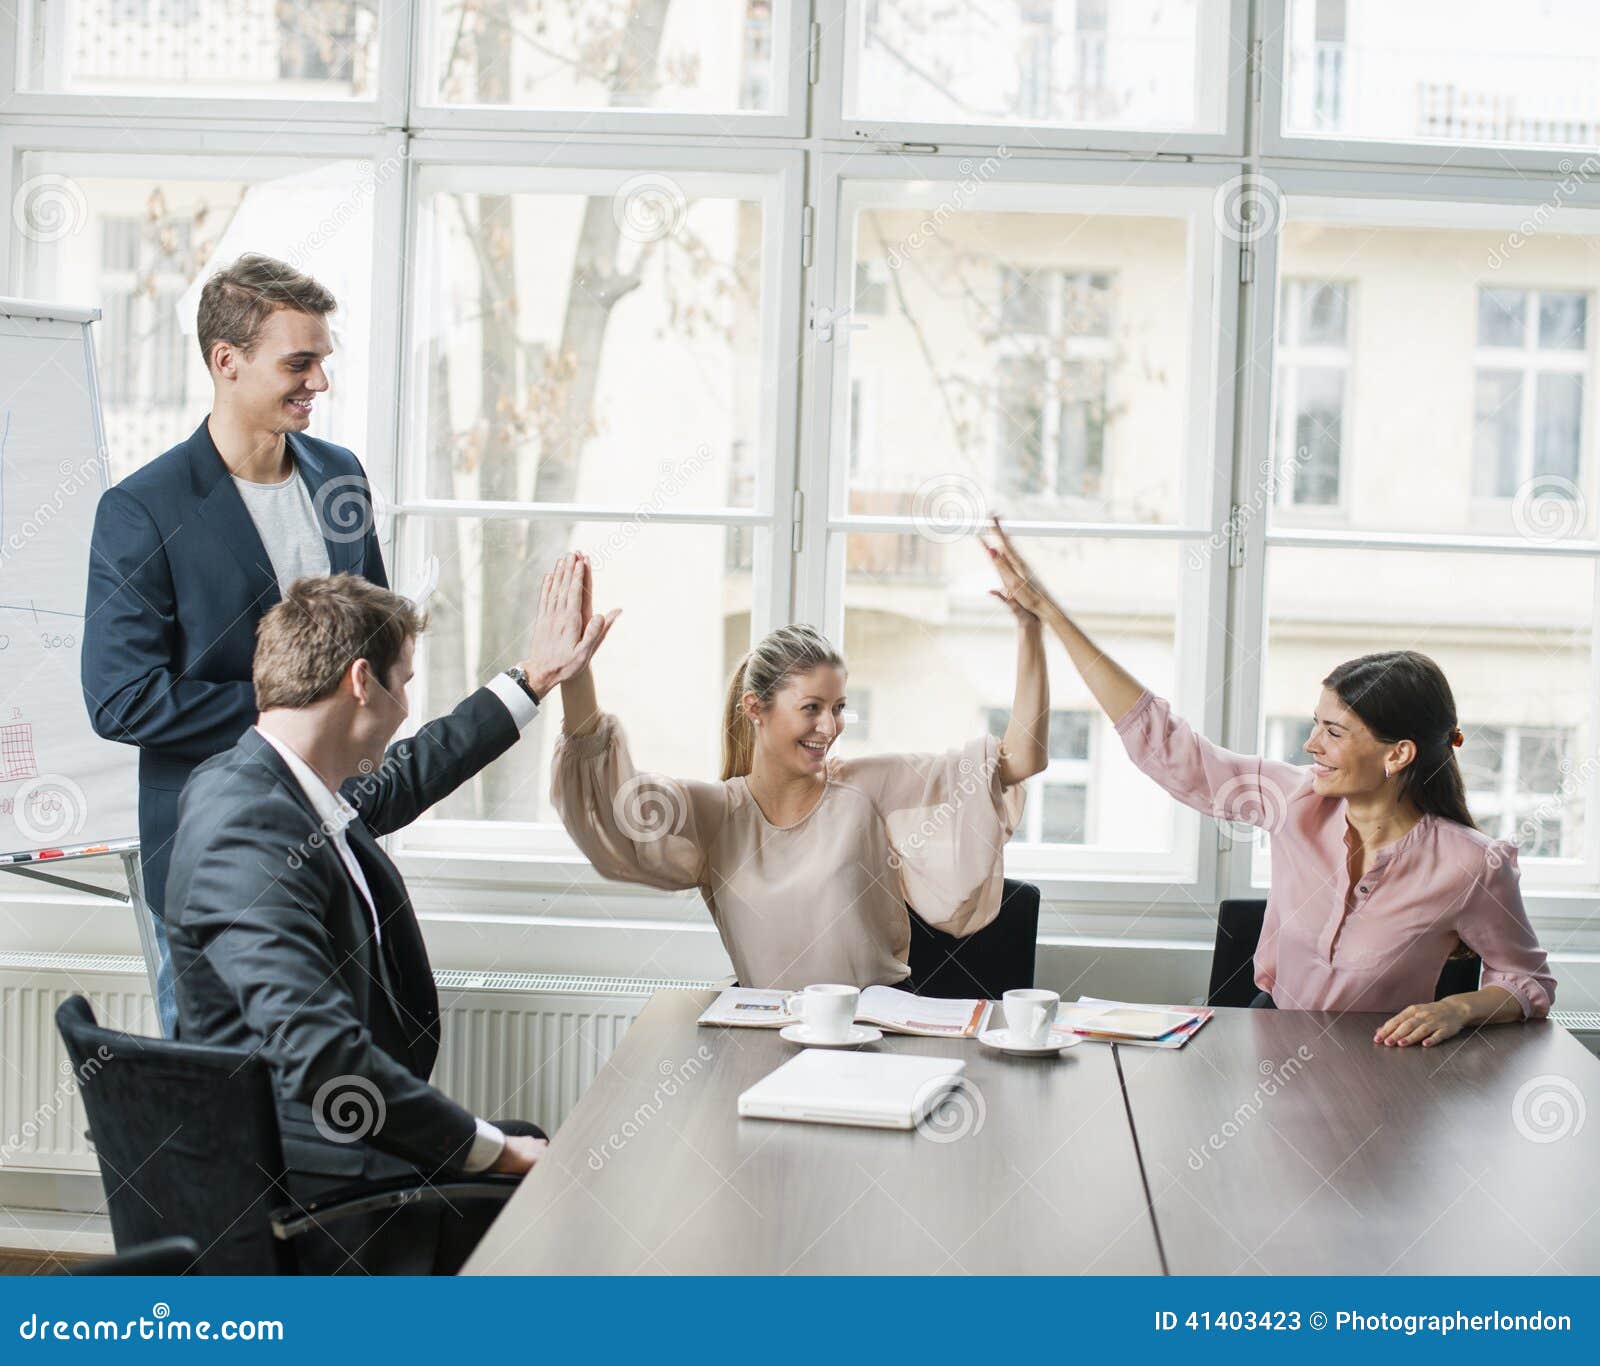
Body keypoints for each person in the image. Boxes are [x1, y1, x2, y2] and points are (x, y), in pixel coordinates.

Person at [165, 560, 614, 1274]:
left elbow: (411, 771)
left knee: (527, 1148)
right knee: (538, 1178)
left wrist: (531, 679)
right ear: (360, 682)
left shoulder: (290, 791)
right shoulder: (245, 825)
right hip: (312, 1186)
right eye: (404, 682)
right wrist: (486, 1147)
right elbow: (318, 1054)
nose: (407, 705)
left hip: (341, 1148)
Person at [982, 517, 1554, 1047]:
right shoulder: (1293, 799)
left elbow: (1526, 978)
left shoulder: (1471, 865)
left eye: (1334, 732)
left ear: (1397, 754)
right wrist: (1050, 615)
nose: (1311, 746)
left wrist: (1460, 1008)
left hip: (1382, 1070)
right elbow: (1168, 746)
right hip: (1272, 1045)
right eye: (1315, 726)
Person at [82, 254, 387, 1038]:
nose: (319, 381)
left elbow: (378, 636)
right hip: (210, 853)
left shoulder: (339, 475)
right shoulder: (141, 509)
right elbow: (119, 699)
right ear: (227, 362)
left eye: (322, 360)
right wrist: (285, 720)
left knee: (338, 1074)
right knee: (223, 1100)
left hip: (341, 837)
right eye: (299, 362)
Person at [550, 549, 1046, 990]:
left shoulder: (869, 788)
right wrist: (576, 677)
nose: (829, 727)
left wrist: (1031, 627)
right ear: (755, 709)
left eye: (839, 707)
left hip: (876, 1041)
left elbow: (1020, 759)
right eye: (811, 707)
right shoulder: (718, 814)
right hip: (768, 1047)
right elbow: (613, 807)